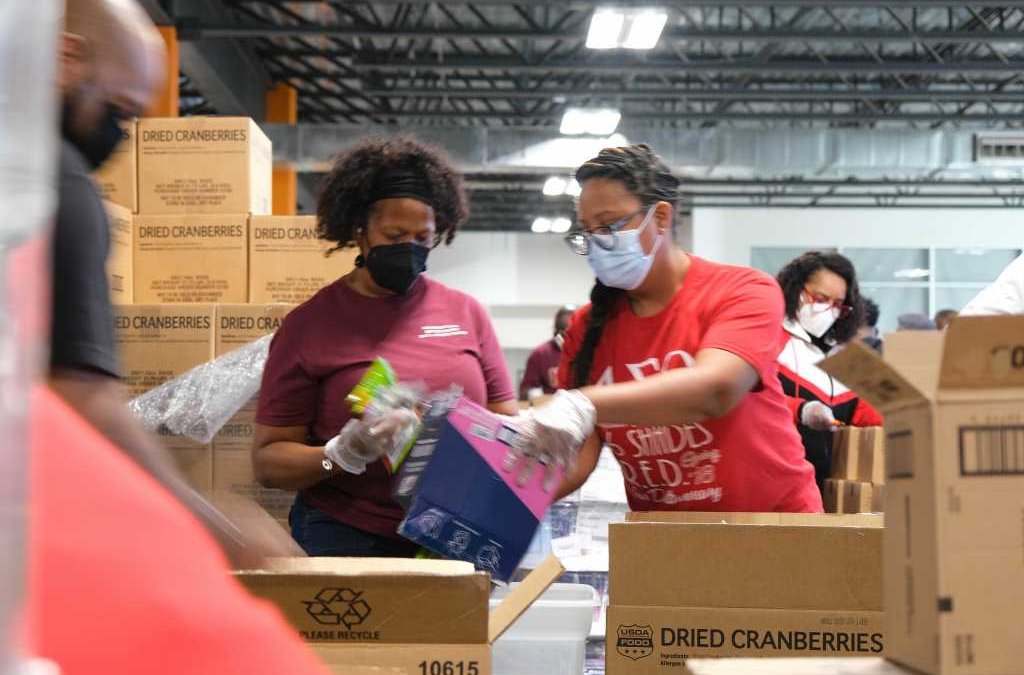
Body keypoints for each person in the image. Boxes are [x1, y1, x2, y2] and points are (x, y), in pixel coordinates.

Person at [52, 0, 289, 566]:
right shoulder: (56, 182)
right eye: (120, 110)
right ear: (66, 54)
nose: (120, 136)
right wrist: (216, 532)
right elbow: (82, 402)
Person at [515, 144, 820, 513]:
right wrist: (501, 487)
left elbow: (716, 390)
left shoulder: (742, 291)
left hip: (773, 527)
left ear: (660, 217)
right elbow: (576, 458)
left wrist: (585, 402)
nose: (597, 243)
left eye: (608, 226)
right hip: (666, 536)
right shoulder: (588, 328)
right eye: (588, 232)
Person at [253, 136, 518, 556]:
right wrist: (340, 454)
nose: (409, 248)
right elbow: (269, 463)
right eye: (394, 235)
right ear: (359, 230)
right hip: (348, 532)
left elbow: (506, 423)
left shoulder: (467, 314)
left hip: (454, 529)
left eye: (423, 237)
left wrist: (473, 433)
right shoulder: (310, 325)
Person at [775, 252, 884, 492]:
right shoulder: (771, 340)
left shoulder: (849, 355)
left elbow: (875, 412)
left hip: (830, 487)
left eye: (838, 305)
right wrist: (801, 410)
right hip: (776, 479)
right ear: (796, 290)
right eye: (821, 298)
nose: (828, 311)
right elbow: (750, 402)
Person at [519, 305, 576, 401]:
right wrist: (539, 396)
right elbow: (525, 391)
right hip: (550, 407)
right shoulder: (540, 354)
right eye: (564, 335)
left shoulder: (586, 353)